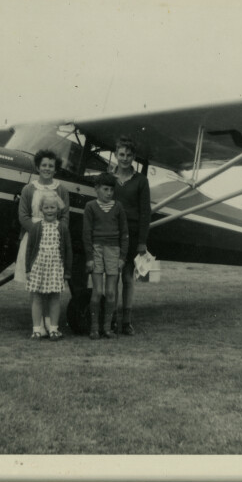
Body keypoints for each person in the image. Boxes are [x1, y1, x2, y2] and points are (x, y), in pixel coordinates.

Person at [16, 150, 72, 339]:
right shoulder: (28, 189)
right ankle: (38, 325)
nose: (47, 169)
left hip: (54, 240)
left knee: (52, 287)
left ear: (55, 169)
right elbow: (23, 215)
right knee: (36, 285)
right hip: (34, 237)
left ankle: (51, 322)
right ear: (38, 167)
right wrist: (37, 230)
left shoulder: (61, 189)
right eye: (44, 165)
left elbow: (65, 217)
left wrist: (55, 230)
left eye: (51, 166)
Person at [111, 135, 150, 336]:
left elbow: (145, 213)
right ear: (116, 155)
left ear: (133, 157)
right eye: (121, 154)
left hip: (132, 235)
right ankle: (110, 319)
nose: (124, 158)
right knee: (111, 278)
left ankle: (126, 321)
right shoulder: (109, 178)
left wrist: (142, 242)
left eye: (128, 155)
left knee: (127, 278)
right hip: (111, 234)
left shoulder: (141, 181)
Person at [83, 172, 129, 339]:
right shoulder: (90, 206)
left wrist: (122, 257)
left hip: (113, 250)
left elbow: (124, 233)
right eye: (105, 189)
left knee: (110, 292)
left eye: (111, 190)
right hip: (96, 249)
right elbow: (86, 234)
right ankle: (94, 328)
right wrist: (89, 257)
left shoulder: (118, 207)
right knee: (97, 291)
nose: (109, 193)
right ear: (96, 189)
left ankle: (107, 328)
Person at [24, 193, 72, 341]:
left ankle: (53, 329)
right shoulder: (36, 228)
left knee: (54, 298)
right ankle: (37, 330)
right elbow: (30, 249)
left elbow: (68, 250)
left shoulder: (62, 228)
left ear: (58, 209)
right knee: (37, 298)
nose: (50, 210)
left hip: (56, 267)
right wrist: (28, 269)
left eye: (53, 207)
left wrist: (67, 272)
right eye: (46, 207)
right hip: (39, 266)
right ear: (41, 209)